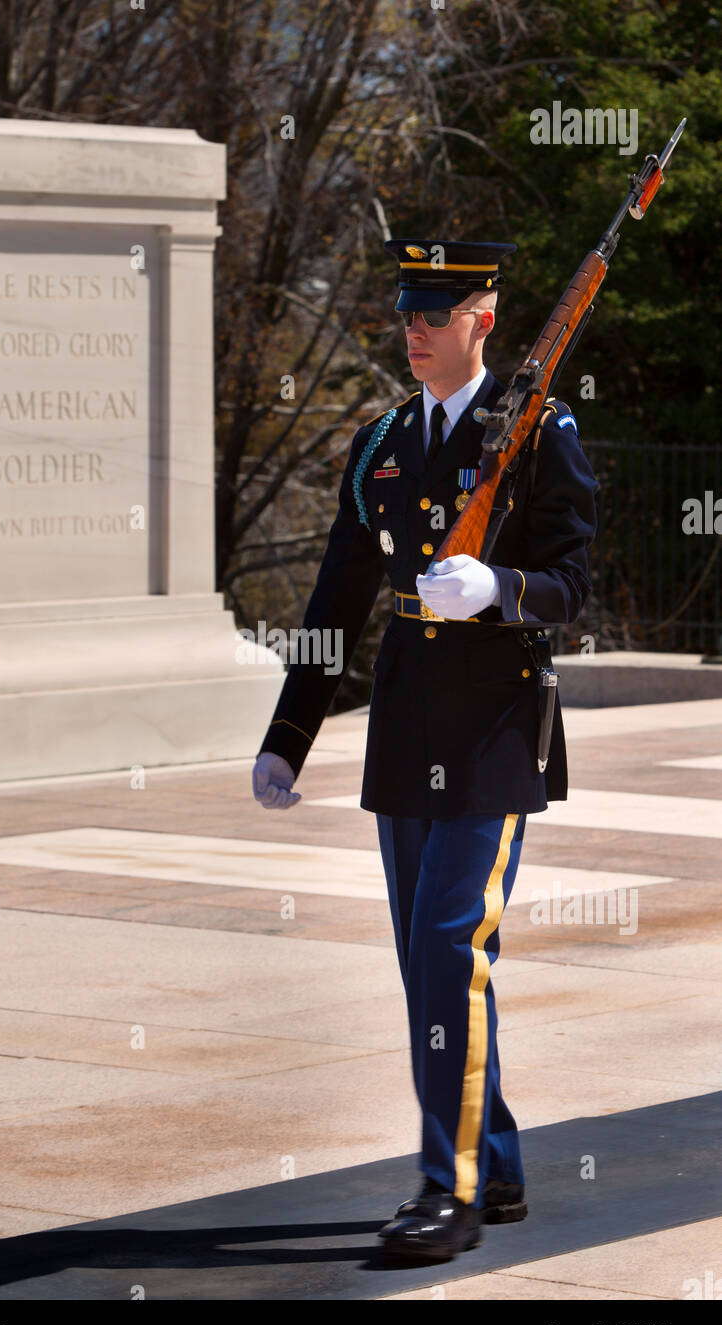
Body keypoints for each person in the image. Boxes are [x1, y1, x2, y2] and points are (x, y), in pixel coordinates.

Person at [251, 239, 599, 1261]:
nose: (412, 332)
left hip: (494, 729)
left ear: (481, 322)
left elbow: (571, 584)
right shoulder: (382, 444)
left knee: (450, 947)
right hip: (405, 729)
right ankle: (491, 1164)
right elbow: (334, 602)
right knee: (427, 966)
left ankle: (440, 1191)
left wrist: (501, 591)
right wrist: (287, 736)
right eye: (405, 314)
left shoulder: (540, 435)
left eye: (433, 317)